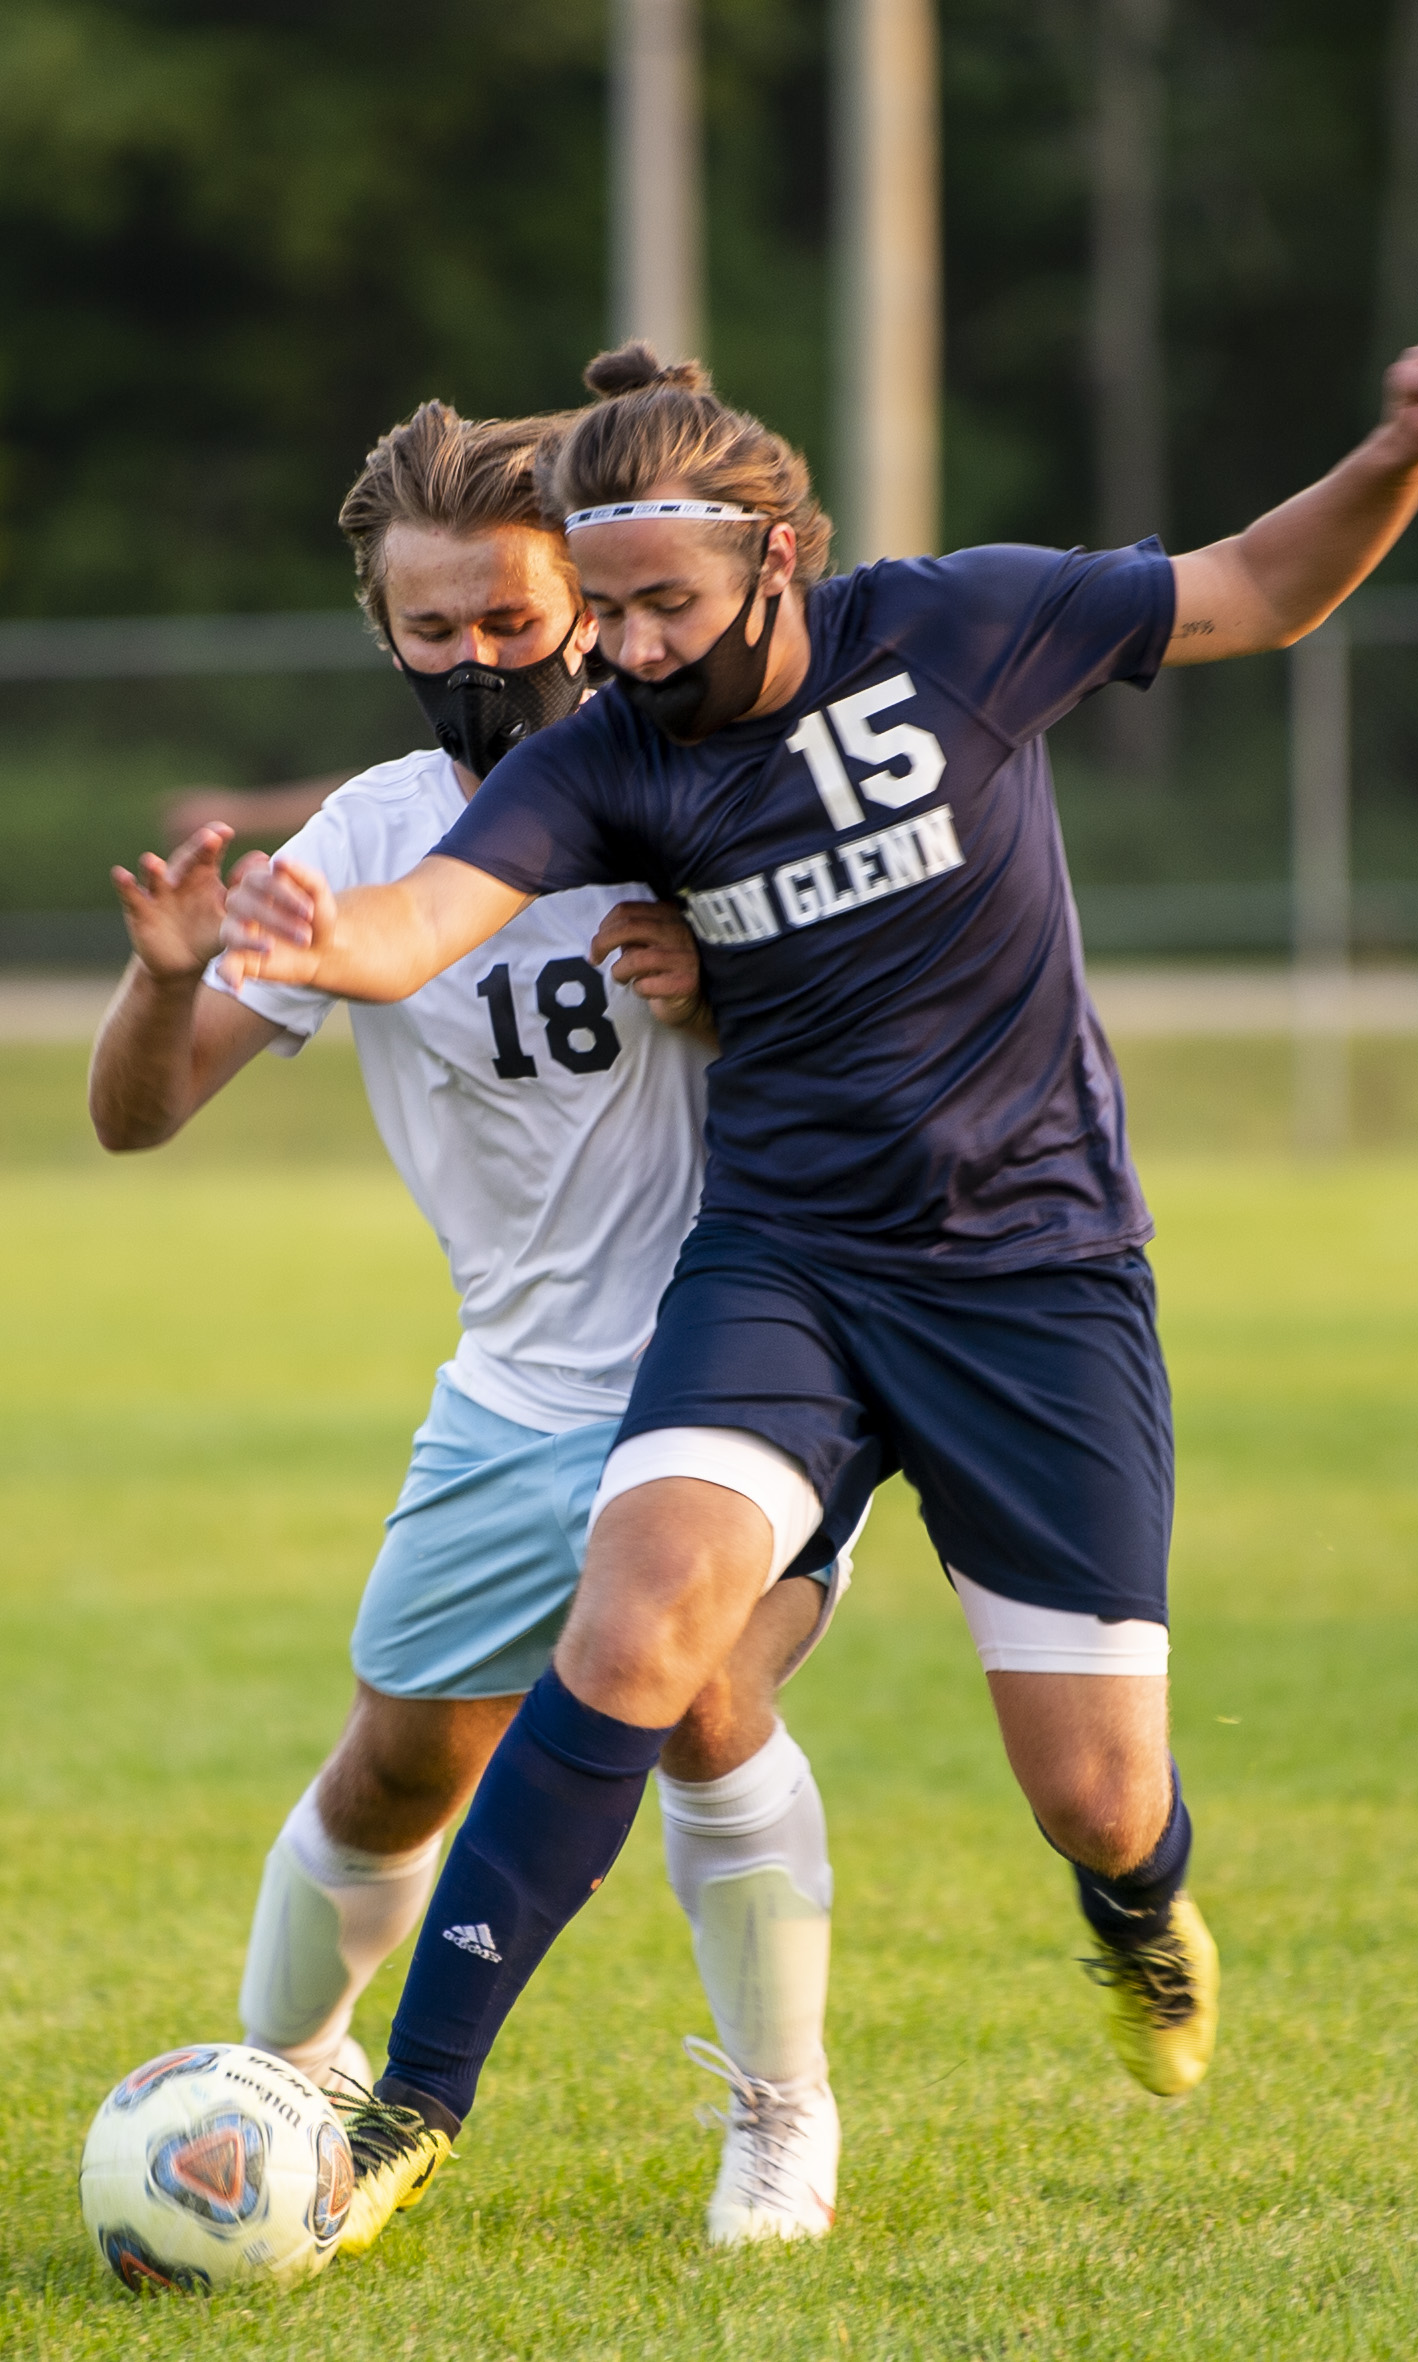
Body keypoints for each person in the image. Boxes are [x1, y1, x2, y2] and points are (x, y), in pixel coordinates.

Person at [219, 312, 1418, 2246]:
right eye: (606, 613)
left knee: (1096, 1800)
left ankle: (1139, 1907)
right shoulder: (609, 755)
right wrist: (310, 940)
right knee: (640, 1632)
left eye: (665, 605)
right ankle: (409, 2112)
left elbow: (1259, 588)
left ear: (779, 553)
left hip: (1038, 1279)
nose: (633, 650)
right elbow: (429, 912)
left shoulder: (967, 629)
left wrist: (1404, 451)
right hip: (790, 1267)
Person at [88, 398, 857, 2251]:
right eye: (432, 632)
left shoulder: (727, 773)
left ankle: (781, 2116)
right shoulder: (370, 835)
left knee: (700, 1694)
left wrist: (724, 994)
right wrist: (165, 971)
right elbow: (138, 1114)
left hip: (743, 1355)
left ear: (587, 598)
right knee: (400, 1765)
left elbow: (897, 1035)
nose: (477, 662)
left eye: (511, 623)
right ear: (385, 631)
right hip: (512, 1392)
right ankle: (273, 2100)